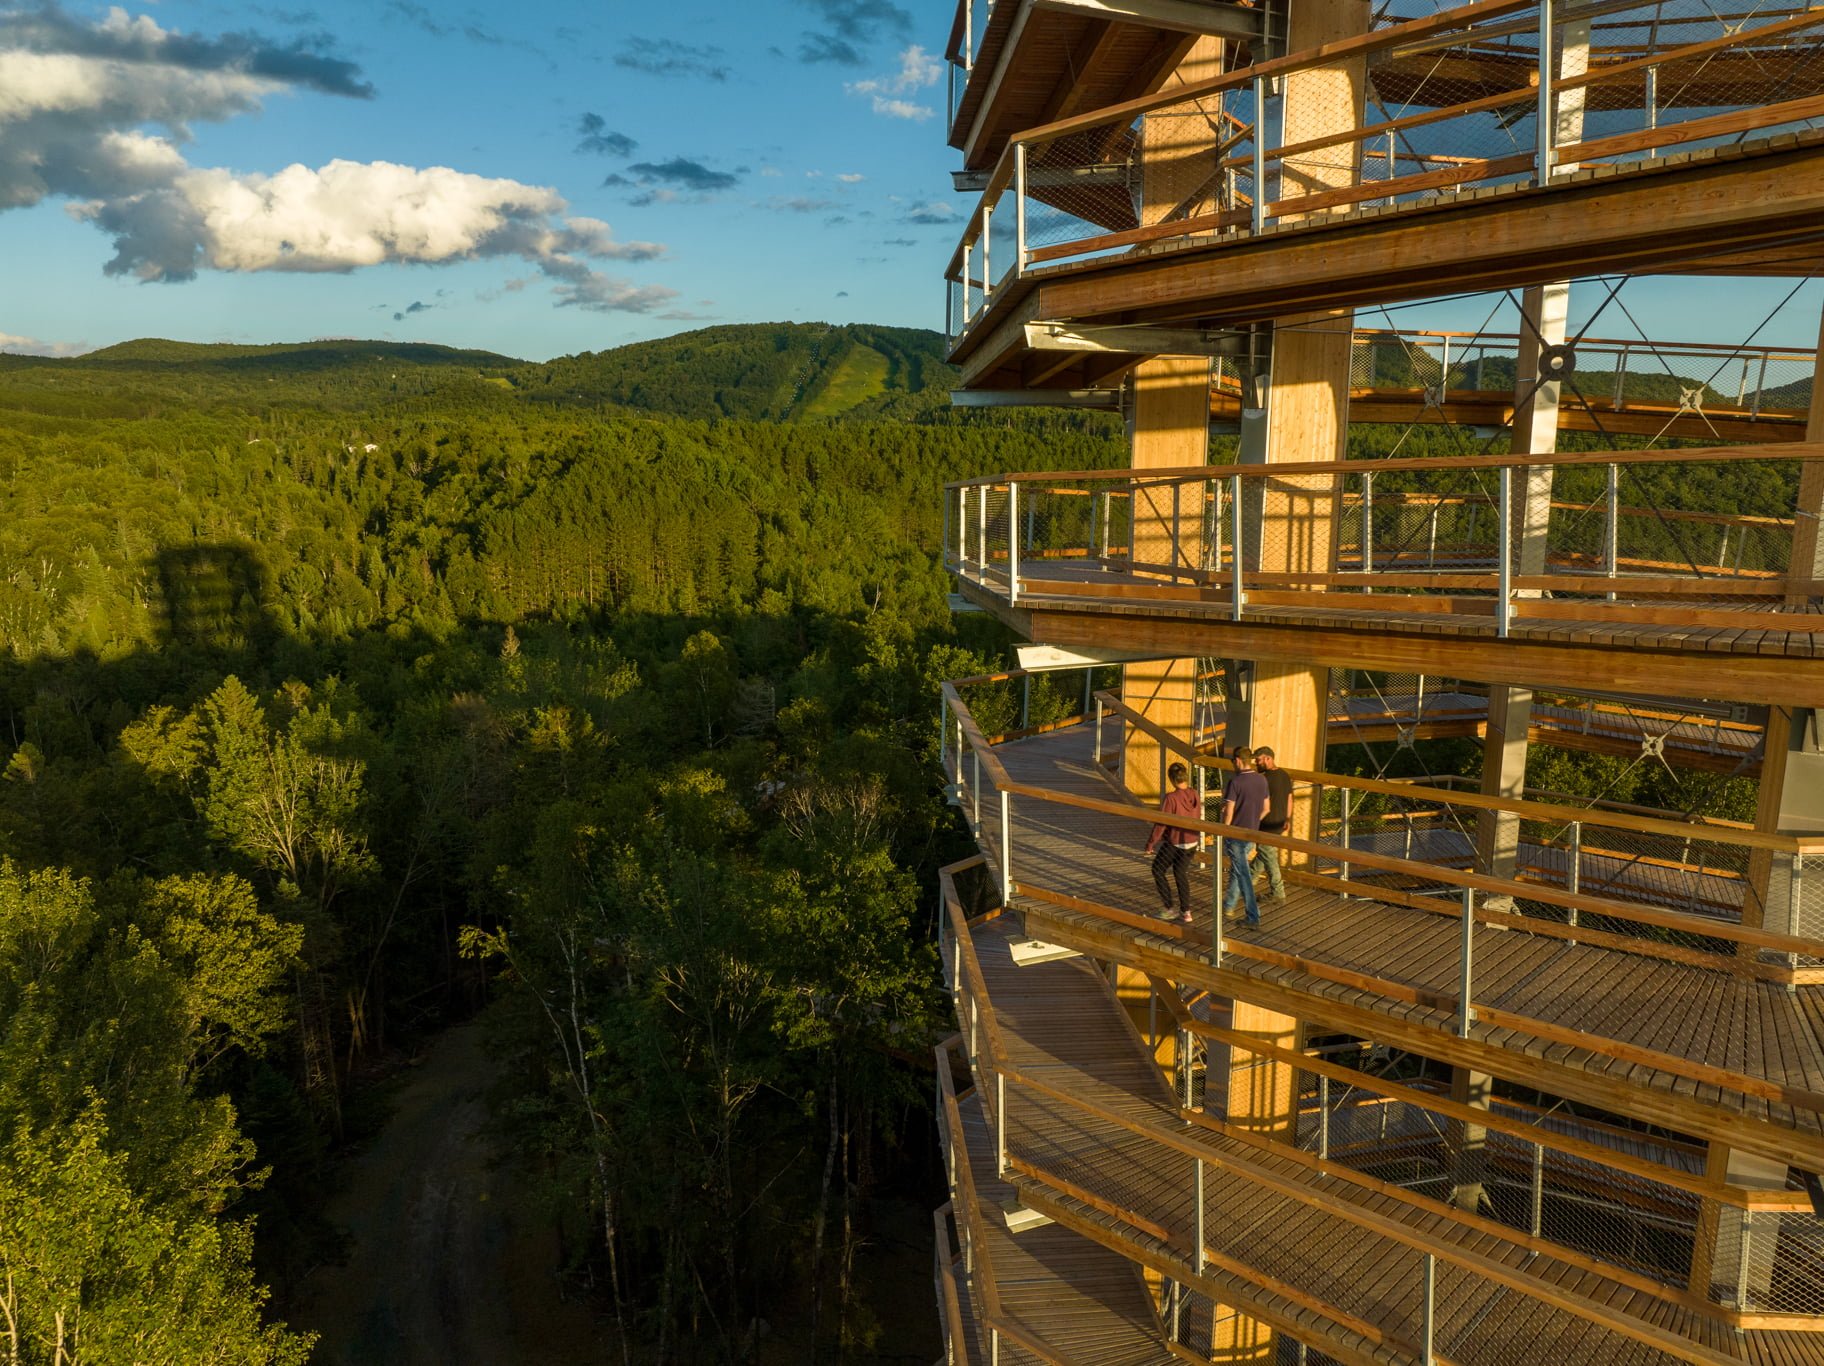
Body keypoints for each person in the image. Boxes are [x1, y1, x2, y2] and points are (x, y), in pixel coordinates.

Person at [1145, 761, 1201, 924]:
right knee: (1180, 874)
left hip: (1175, 841)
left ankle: (1169, 908)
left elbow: (1161, 823)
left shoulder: (1171, 798)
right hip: (1192, 841)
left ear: (1172, 779)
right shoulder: (1195, 794)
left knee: (1157, 869)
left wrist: (1151, 844)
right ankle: (1186, 912)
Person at [1221, 745, 1270, 927]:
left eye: (1233, 761)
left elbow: (1229, 812)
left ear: (1238, 760)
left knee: (1243, 874)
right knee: (1238, 870)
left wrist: (1223, 831)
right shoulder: (1262, 780)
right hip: (1252, 832)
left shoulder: (1235, 782)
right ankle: (1229, 905)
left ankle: (1253, 915)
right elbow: (1266, 808)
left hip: (1235, 834)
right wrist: (1253, 820)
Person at [1251, 746, 1292, 903]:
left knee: (1268, 857)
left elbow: (1256, 801)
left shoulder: (1263, 778)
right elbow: (1289, 798)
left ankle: (1278, 892)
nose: (1256, 763)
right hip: (1279, 822)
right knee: (1264, 854)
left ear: (1268, 758)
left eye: (1258, 760)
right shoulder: (1284, 775)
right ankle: (1245, 883)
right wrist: (1287, 818)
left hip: (1266, 823)